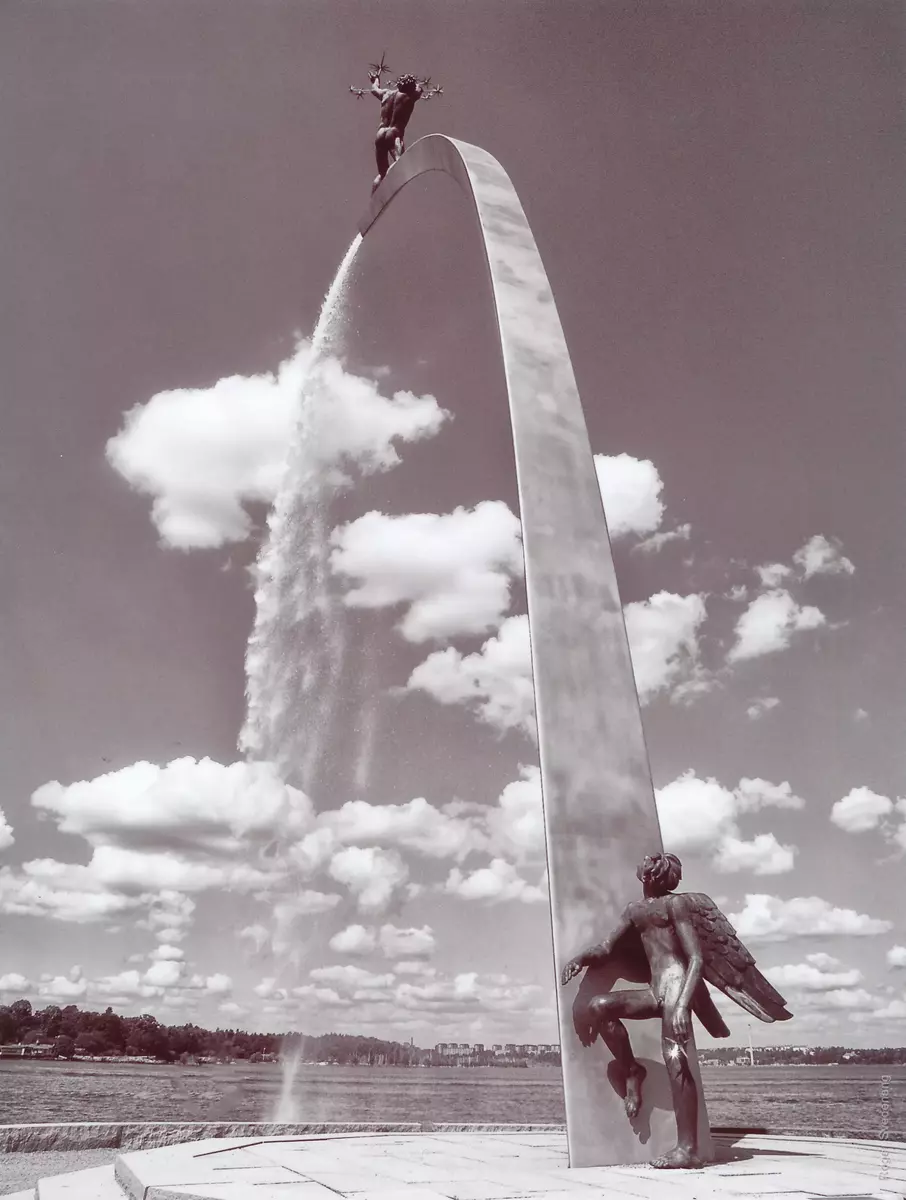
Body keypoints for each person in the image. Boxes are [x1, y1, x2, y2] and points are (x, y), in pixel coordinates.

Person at [560, 852, 792, 1169]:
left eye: (645, 863)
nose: (639, 863)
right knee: (600, 1006)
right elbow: (606, 947)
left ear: (651, 875)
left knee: (676, 1064)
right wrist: (579, 959)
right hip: (656, 989)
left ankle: (688, 1150)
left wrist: (683, 1004)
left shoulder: (676, 905)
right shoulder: (634, 910)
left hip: (676, 988)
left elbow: (696, 957)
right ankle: (631, 1071)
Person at [369, 73, 424, 192]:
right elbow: (420, 89)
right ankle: (393, 173)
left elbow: (374, 89)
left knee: (382, 173)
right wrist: (415, 83)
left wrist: (376, 80)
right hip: (394, 134)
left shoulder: (385, 93)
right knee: (401, 163)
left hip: (380, 133)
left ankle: (375, 194)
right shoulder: (410, 95)